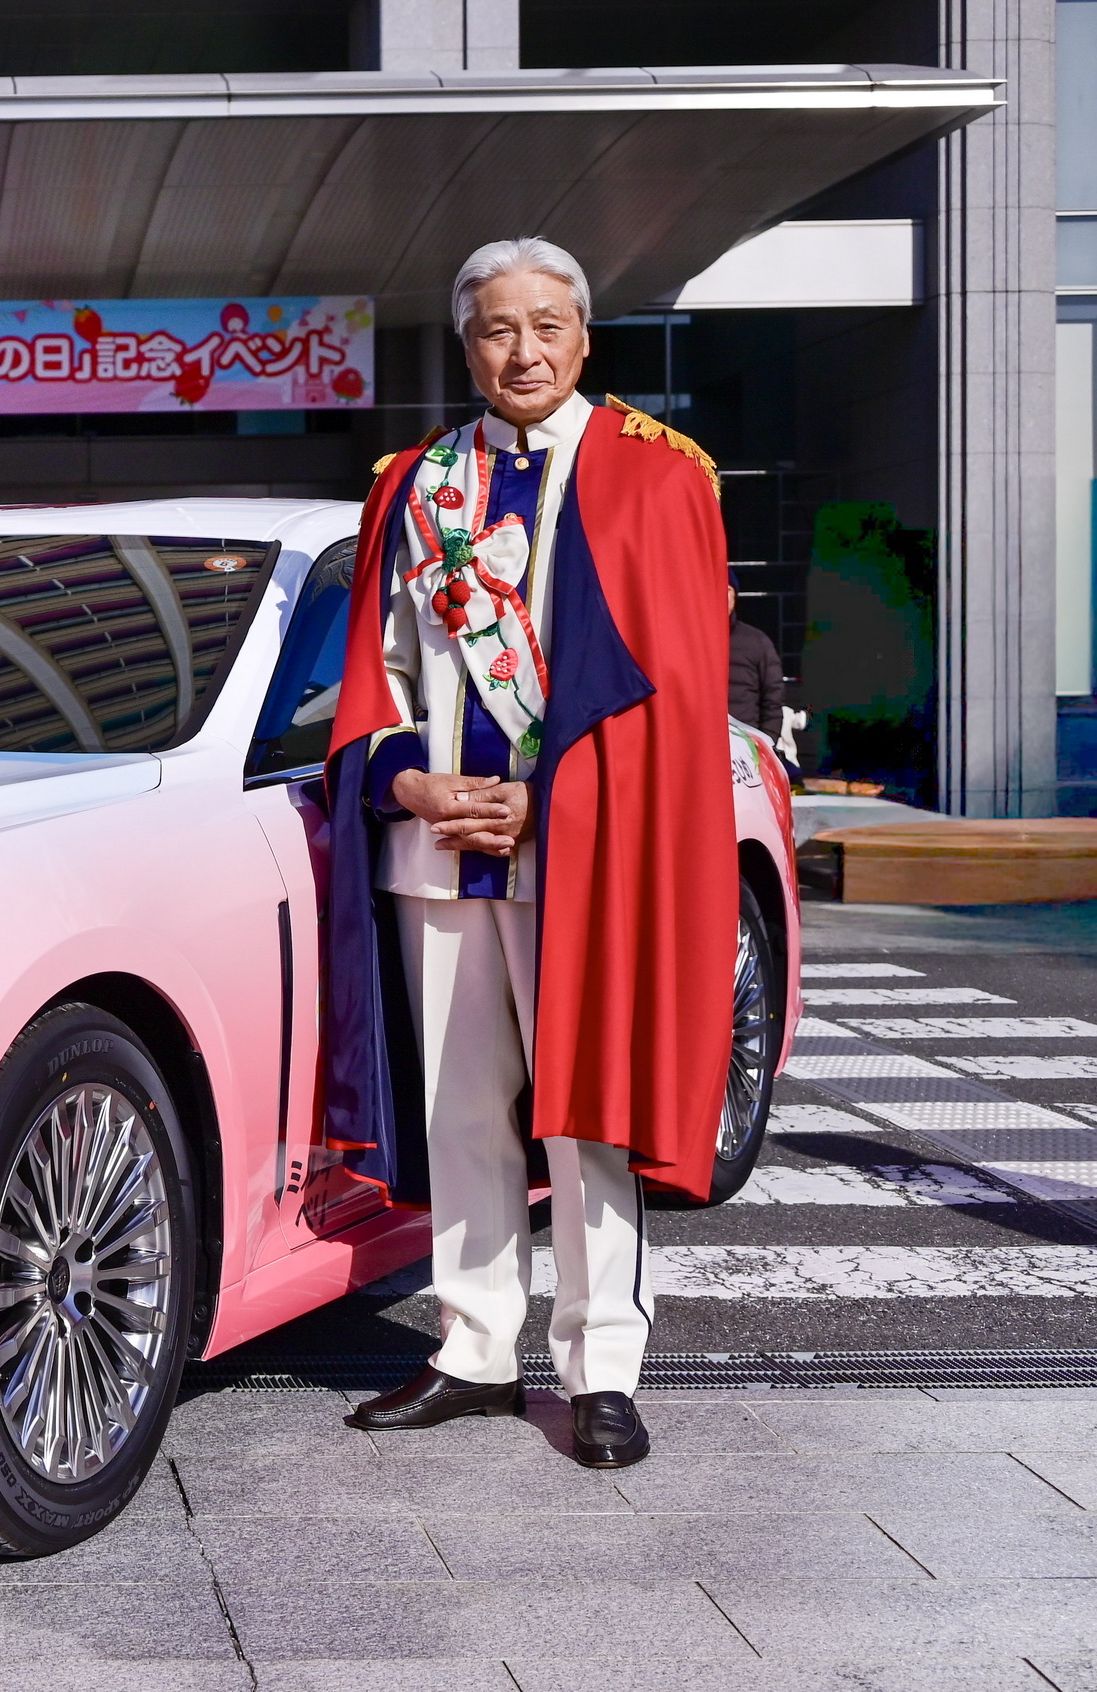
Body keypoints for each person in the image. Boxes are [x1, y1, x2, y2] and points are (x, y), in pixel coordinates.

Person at [321, 238, 735, 1470]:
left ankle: (602, 1364)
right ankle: (474, 1346)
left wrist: (546, 804)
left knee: (586, 1117)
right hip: (440, 850)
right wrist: (404, 777)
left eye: (548, 325)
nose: (525, 350)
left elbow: (672, 694)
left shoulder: (661, 480)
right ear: (467, 344)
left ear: (585, 338)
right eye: (499, 329)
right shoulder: (412, 487)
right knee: (462, 1112)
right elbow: (375, 674)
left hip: (590, 857)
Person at [728, 572, 785, 741]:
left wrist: (767, 741)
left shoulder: (757, 642)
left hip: (747, 745)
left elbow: (773, 699)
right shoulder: (692, 640)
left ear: (735, 596)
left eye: (728, 589)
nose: (723, 595)